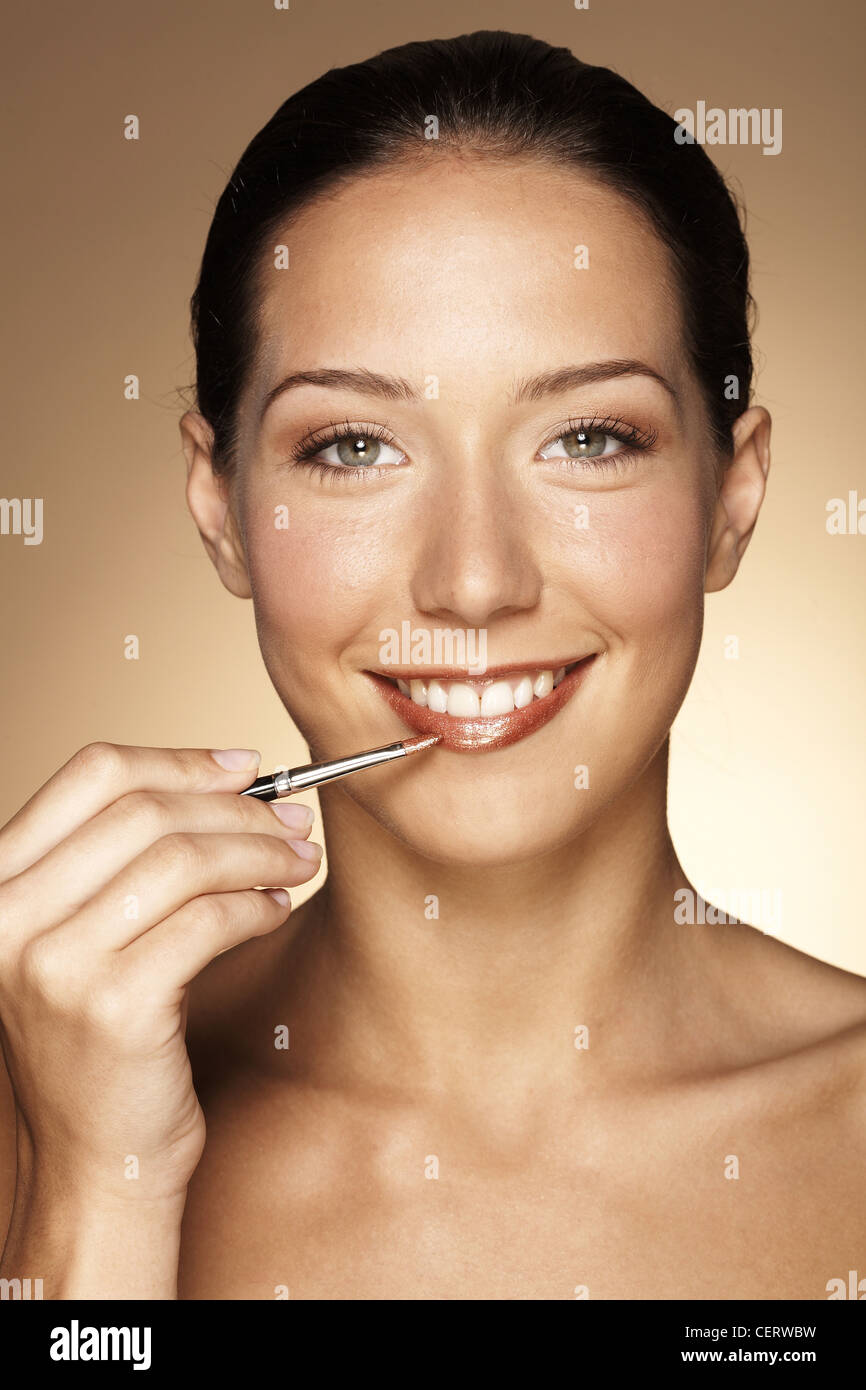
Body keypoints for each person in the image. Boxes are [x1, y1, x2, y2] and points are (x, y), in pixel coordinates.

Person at [1, 30, 864, 1301]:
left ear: (731, 496)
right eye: (352, 446)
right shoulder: (42, 1115)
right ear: (219, 505)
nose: (472, 580)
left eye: (586, 436)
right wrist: (97, 1205)